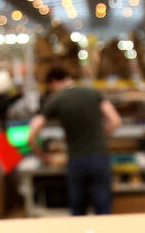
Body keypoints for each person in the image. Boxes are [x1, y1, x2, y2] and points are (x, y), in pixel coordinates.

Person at [28, 66, 122, 215]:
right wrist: (100, 136)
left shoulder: (56, 99)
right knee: (103, 208)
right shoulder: (93, 93)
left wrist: (42, 156)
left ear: (53, 82)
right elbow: (116, 121)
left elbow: (31, 135)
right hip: (100, 157)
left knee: (78, 211)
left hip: (76, 160)